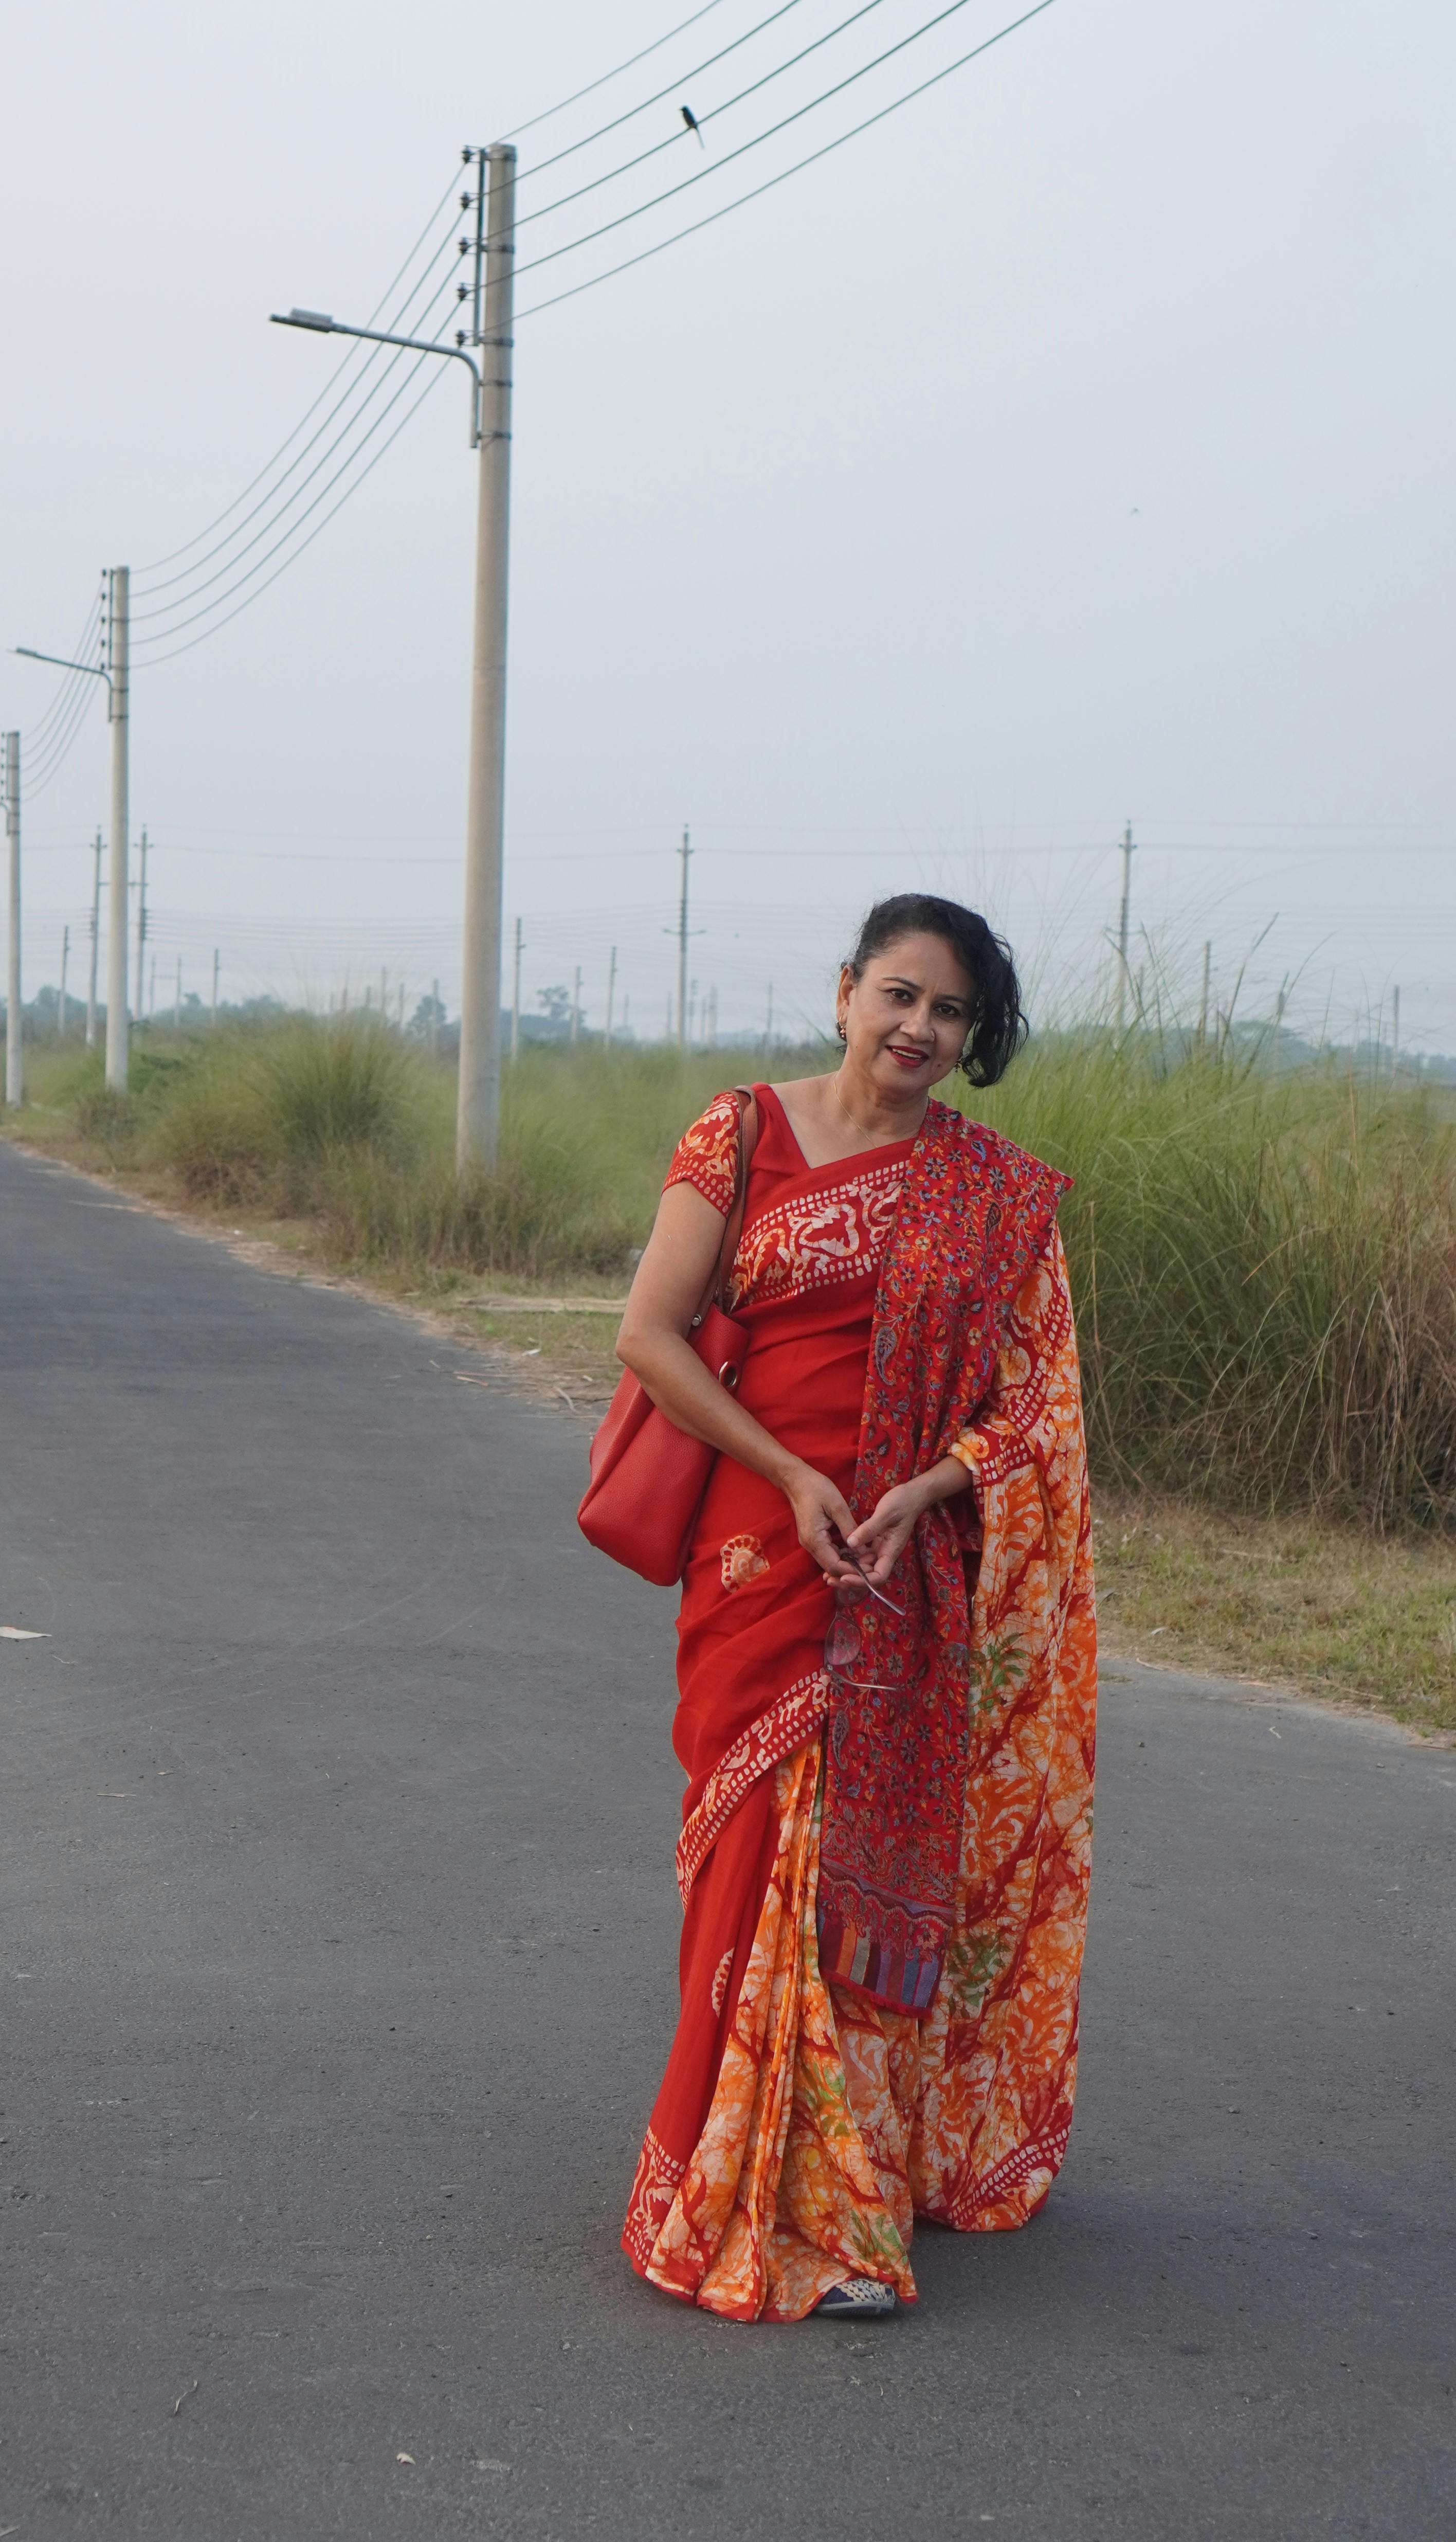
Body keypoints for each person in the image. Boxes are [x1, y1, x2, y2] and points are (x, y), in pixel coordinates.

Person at [612, 895, 1094, 2323]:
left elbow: (1033, 1408)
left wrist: (921, 1492)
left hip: (899, 1561)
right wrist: (791, 1475)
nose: (920, 1031)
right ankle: (731, 2181)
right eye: (901, 995)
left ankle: (833, 2185)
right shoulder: (741, 1134)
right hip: (762, 1545)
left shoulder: (989, 1190)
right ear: (844, 992)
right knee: (758, 1854)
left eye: (951, 1014)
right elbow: (649, 1333)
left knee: (848, 1883)